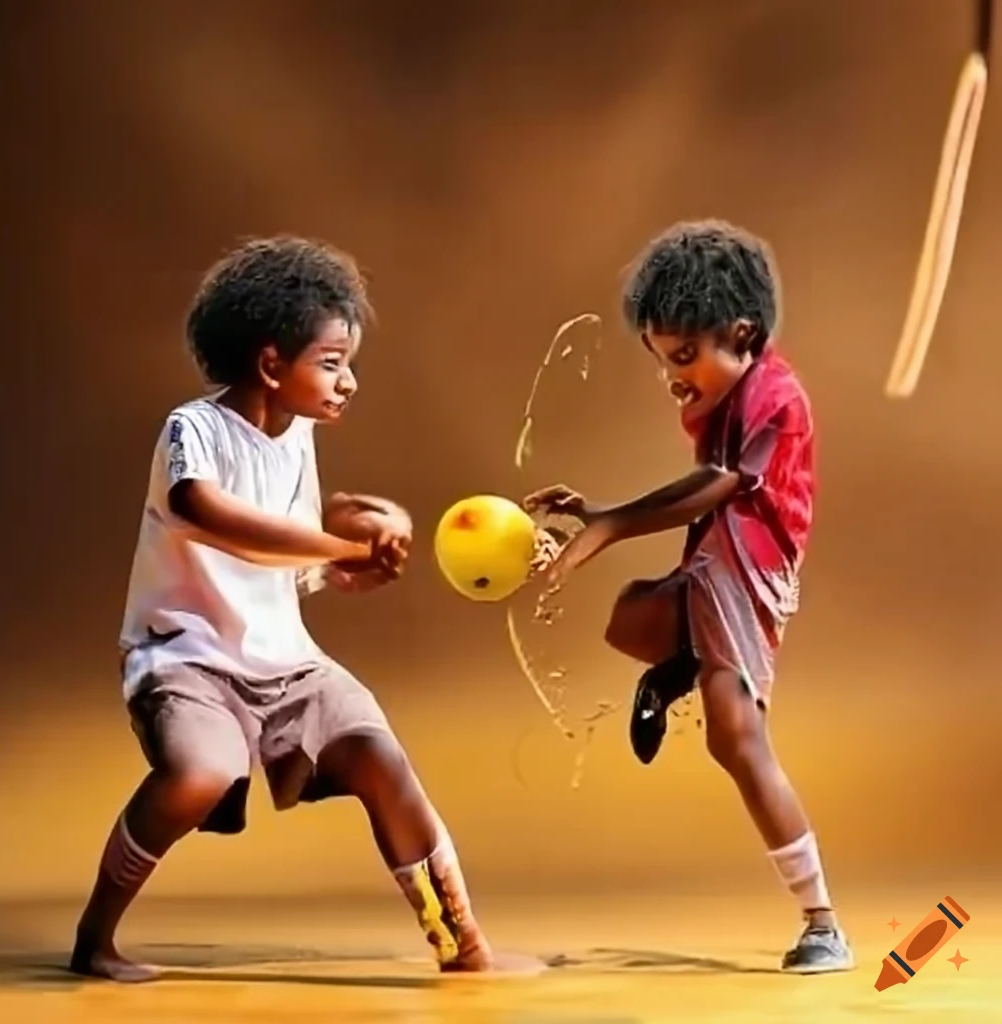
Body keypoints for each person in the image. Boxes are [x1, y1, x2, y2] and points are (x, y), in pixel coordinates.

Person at [70, 236, 492, 981]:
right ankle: (94, 938)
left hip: (285, 661)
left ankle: (464, 942)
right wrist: (339, 547)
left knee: (380, 757)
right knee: (198, 773)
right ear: (271, 364)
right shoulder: (191, 430)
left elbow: (287, 553)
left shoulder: (295, 438)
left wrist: (345, 565)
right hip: (187, 657)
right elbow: (202, 510)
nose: (349, 381)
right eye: (332, 363)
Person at [524, 220, 853, 974]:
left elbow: (718, 484)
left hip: (749, 571)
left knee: (734, 740)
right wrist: (600, 511)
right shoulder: (724, 390)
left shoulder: (778, 396)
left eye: (683, 357)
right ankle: (678, 669)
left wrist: (610, 524)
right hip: (713, 552)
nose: (672, 376)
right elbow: (705, 491)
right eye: (662, 359)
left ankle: (822, 922)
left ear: (741, 335)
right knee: (630, 618)